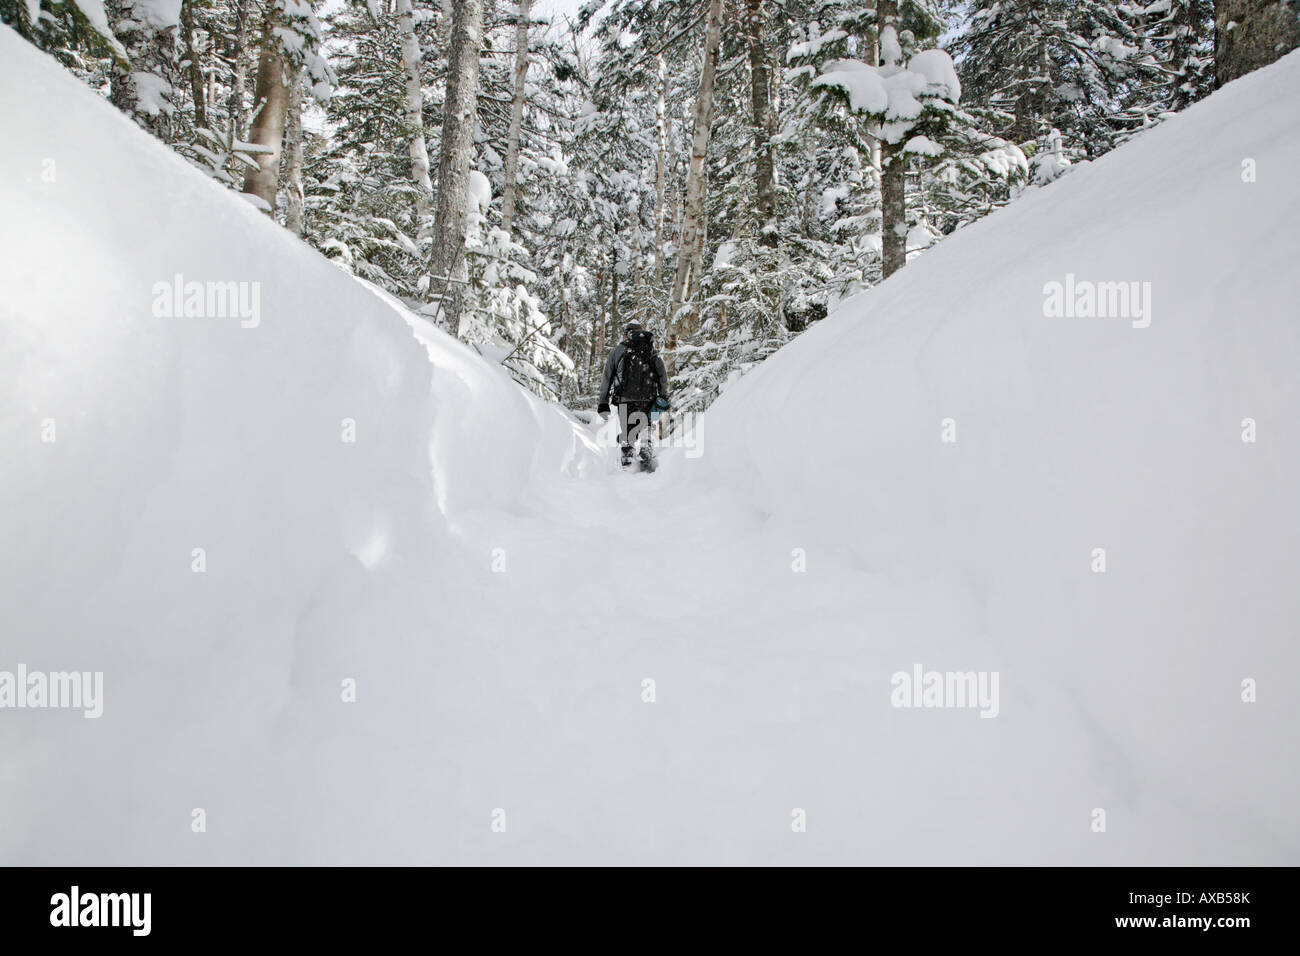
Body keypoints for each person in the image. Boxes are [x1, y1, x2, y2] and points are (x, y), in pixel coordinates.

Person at [597, 321, 670, 468]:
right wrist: (663, 396)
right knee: (646, 427)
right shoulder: (650, 350)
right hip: (648, 399)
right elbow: (662, 375)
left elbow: (607, 377)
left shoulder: (618, 351)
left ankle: (628, 460)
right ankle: (646, 453)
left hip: (624, 399)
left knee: (628, 431)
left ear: (626, 334)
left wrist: (603, 402)